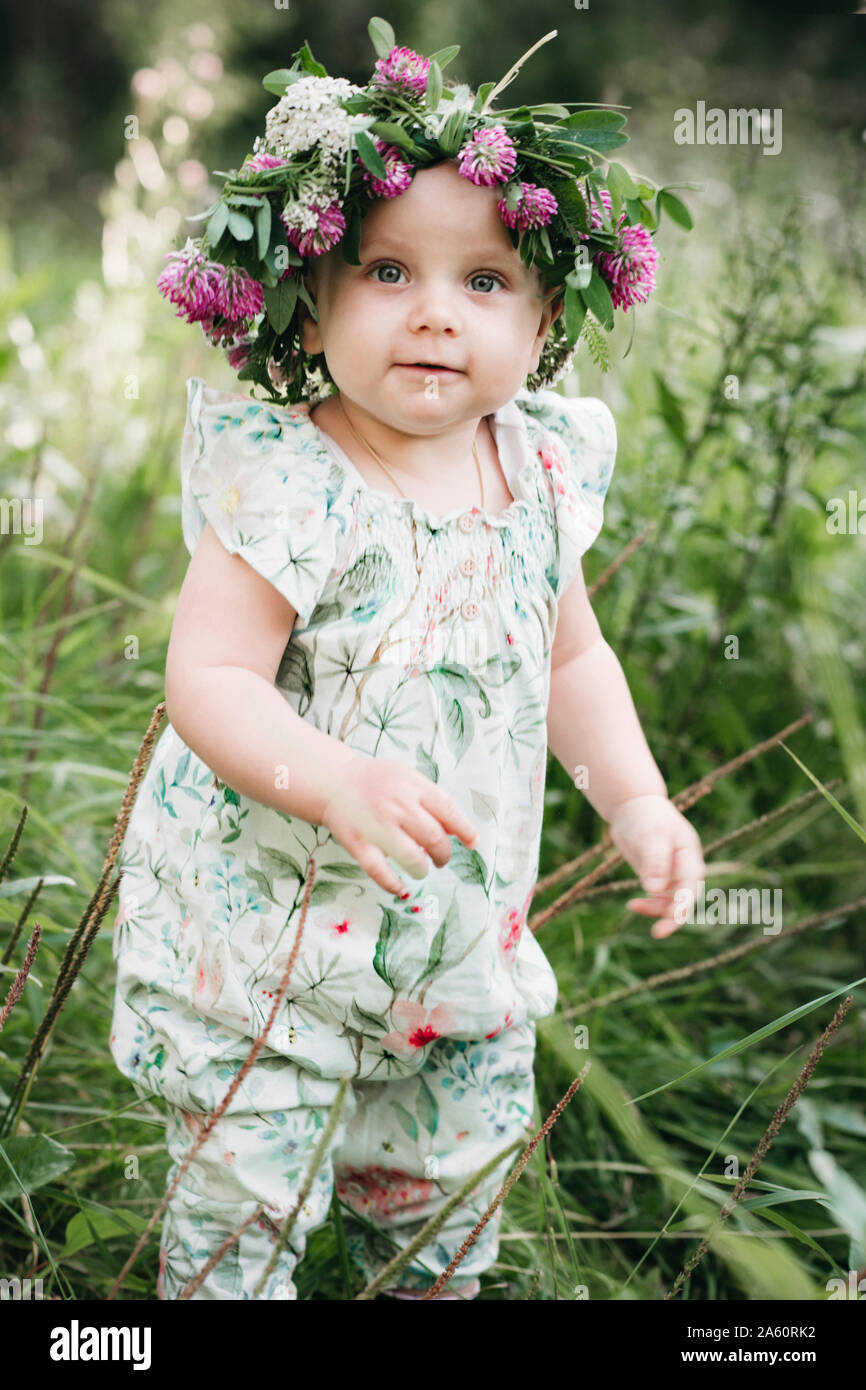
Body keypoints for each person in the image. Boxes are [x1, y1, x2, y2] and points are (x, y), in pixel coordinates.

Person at [109, 27, 705, 1301]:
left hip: (450, 955)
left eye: (483, 280)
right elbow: (206, 678)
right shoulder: (289, 480)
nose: (435, 309)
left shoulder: (540, 469)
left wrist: (637, 798)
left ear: (546, 317)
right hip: (261, 953)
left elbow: (573, 658)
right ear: (310, 296)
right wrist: (327, 779)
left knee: (443, 1228)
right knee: (239, 1226)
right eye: (387, 268)